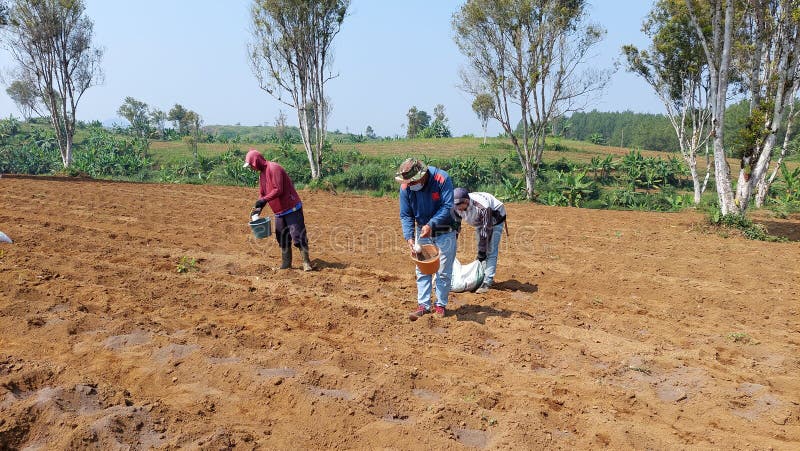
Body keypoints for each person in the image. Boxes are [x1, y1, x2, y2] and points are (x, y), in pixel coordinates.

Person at [397, 158, 458, 320]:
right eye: (408, 182)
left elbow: (448, 206)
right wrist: (409, 237)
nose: (410, 185)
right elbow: (406, 214)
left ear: (422, 175)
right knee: (422, 268)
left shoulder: (441, 179)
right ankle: (423, 305)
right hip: (422, 230)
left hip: (445, 229)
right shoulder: (405, 187)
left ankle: (440, 305)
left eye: (413, 181)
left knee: (443, 270)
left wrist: (431, 224)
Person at [244, 149, 312, 271]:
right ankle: (286, 263)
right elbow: (262, 194)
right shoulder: (262, 175)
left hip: (291, 208)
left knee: (297, 235)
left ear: (256, 161)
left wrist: (264, 200)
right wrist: (258, 208)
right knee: (282, 236)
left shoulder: (274, 168)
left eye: (251, 166)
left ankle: (306, 262)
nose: (251, 168)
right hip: (279, 212)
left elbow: (278, 189)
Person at [452, 187, 507, 294]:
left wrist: (482, 252)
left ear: (466, 201)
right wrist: (453, 242)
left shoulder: (483, 207)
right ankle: (481, 275)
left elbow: (486, 231)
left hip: (495, 217)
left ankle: (487, 281)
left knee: (490, 249)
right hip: (478, 220)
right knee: (481, 248)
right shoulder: (456, 207)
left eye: (458, 205)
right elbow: (455, 225)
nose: (456, 208)